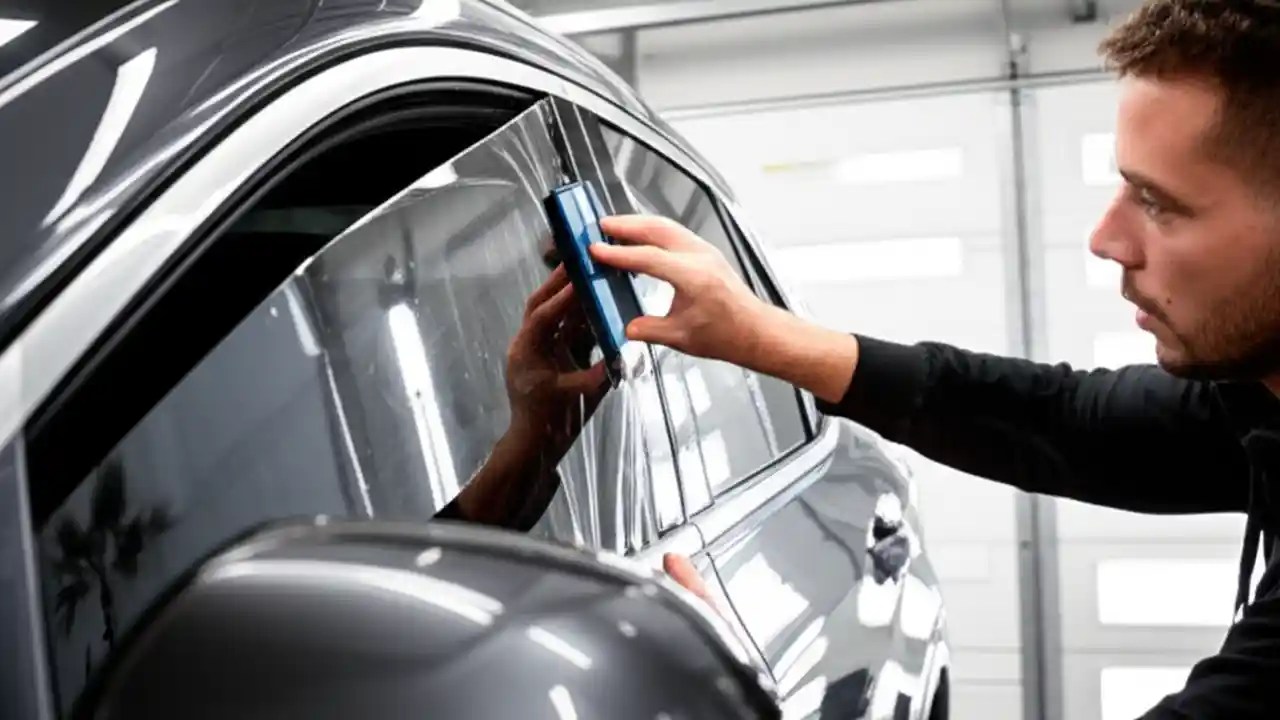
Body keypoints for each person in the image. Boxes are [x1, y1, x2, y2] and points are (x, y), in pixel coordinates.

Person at [589, 1, 1280, 717]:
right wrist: (763, 337)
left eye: (1158, 203)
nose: (1106, 238)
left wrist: (736, 702)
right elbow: (1067, 420)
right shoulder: (1258, 399)